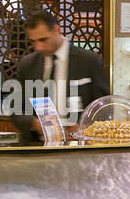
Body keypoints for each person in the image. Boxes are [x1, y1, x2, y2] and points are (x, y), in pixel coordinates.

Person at [9, 10, 110, 144]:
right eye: (33, 41)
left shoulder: (89, 61)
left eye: (43, 39)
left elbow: (104, 108)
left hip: (79, 147)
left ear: (57, 30)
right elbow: (15, 108)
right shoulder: (27, 64)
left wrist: (85, 127)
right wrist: (34, 123)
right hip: (36, 148)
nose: (38, 47)